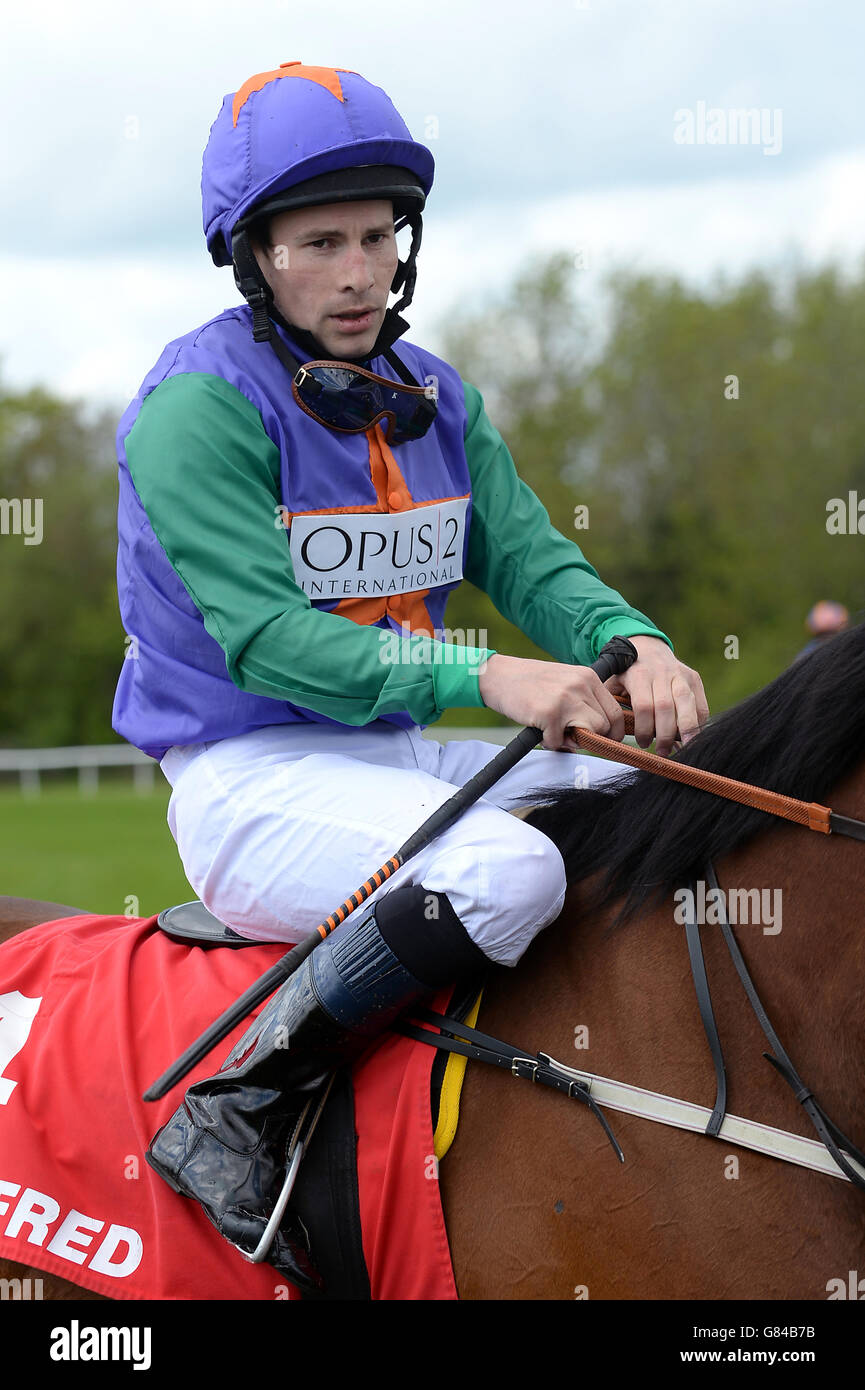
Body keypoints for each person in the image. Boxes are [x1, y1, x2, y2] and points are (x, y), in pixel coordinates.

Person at [112, 61, 708, 1287]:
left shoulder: (432, 393)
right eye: (319, 242)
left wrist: (631, 640)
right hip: (248, 774)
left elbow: (535, 563)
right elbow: (274, 642)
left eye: (377, 236)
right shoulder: (196, 406)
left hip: (395, 759)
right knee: (507, 868)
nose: (357, 269)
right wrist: (488, 678)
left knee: (644, 803)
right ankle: (242, 1099)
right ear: (256, 258)